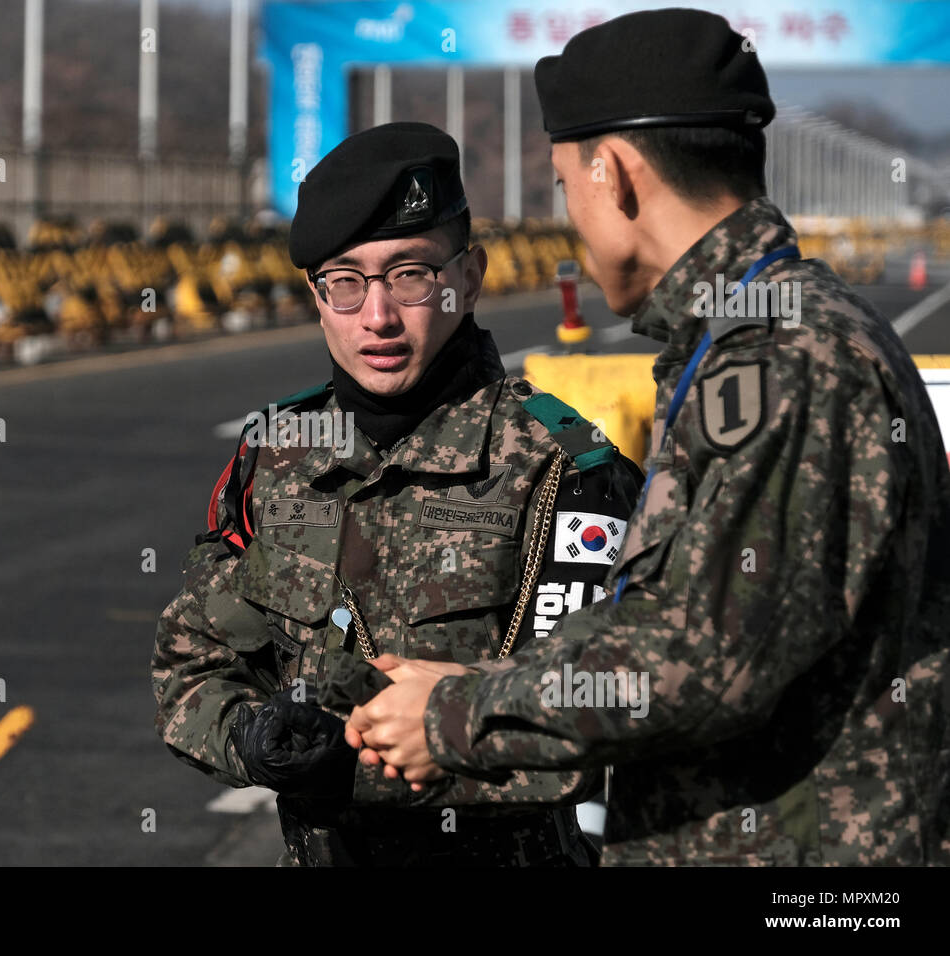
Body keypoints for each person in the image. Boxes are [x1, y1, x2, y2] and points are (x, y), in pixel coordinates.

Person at [346, 8, 950, 866]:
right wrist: (482, 684)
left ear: (614, 174)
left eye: (566, 188)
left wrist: (454, 720)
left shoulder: (781, 359)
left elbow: (705, 660)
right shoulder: (756, 335)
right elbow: (687, 614)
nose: (574, 221)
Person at [151, 121, 642, 866]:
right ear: (317, 297)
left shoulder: (563, 465)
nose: (376, 316)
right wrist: (251, 739)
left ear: (468, 278)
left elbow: (601, 713)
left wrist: (360, 760)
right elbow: (194, 667)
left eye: (410, 275)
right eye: (344, 283)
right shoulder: (276, 456)